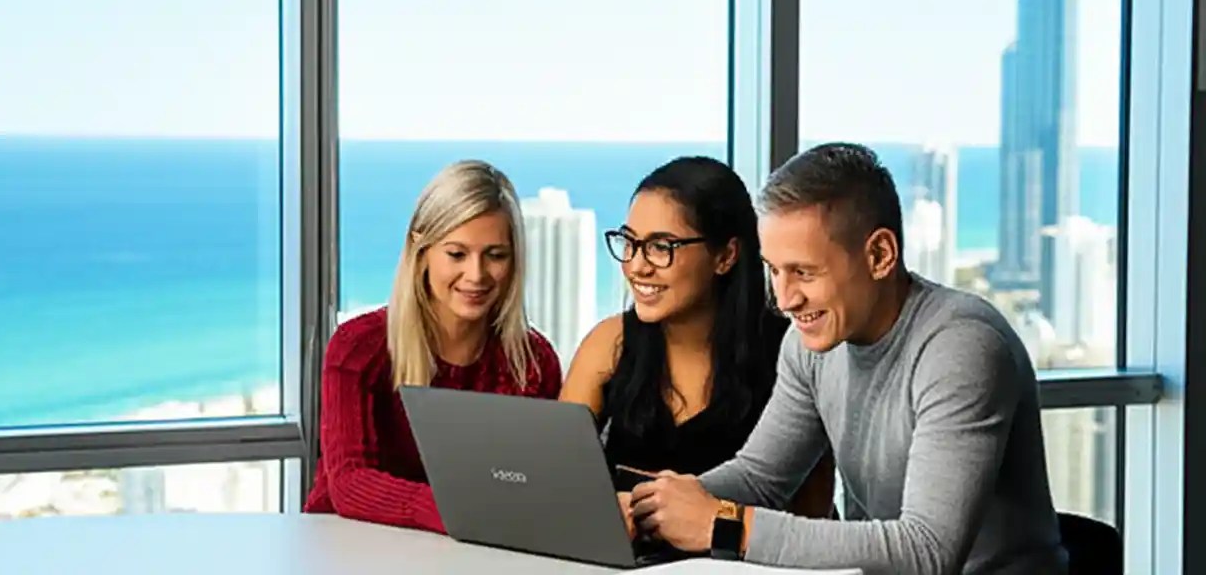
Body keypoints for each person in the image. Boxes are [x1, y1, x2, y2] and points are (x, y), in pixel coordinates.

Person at [629, 143, 1066, 574]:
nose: (784, 299)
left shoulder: (962, 348)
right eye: (774, 270)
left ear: (879, 255)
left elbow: (927, 553)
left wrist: (725, 528)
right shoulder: (811, 344)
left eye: (804, 272)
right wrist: (652, 508)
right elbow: (760, 478)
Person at [559, 156, 834, 541]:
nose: (637, 266)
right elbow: (556, 482)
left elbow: (810, 526)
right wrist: (602, 512)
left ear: (725, 256)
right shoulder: (610, 344)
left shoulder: (793, 355)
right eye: (630, 242)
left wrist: (707, 518)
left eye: (661, 247)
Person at [303, 160, 563, 532]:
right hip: (347, 550)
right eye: (456, 254)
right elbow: (349, 484)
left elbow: (531, 484)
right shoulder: (359, 347)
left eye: (496, 255)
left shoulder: (533, 361)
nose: (476, 274)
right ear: (421, 250)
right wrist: (459, 511)